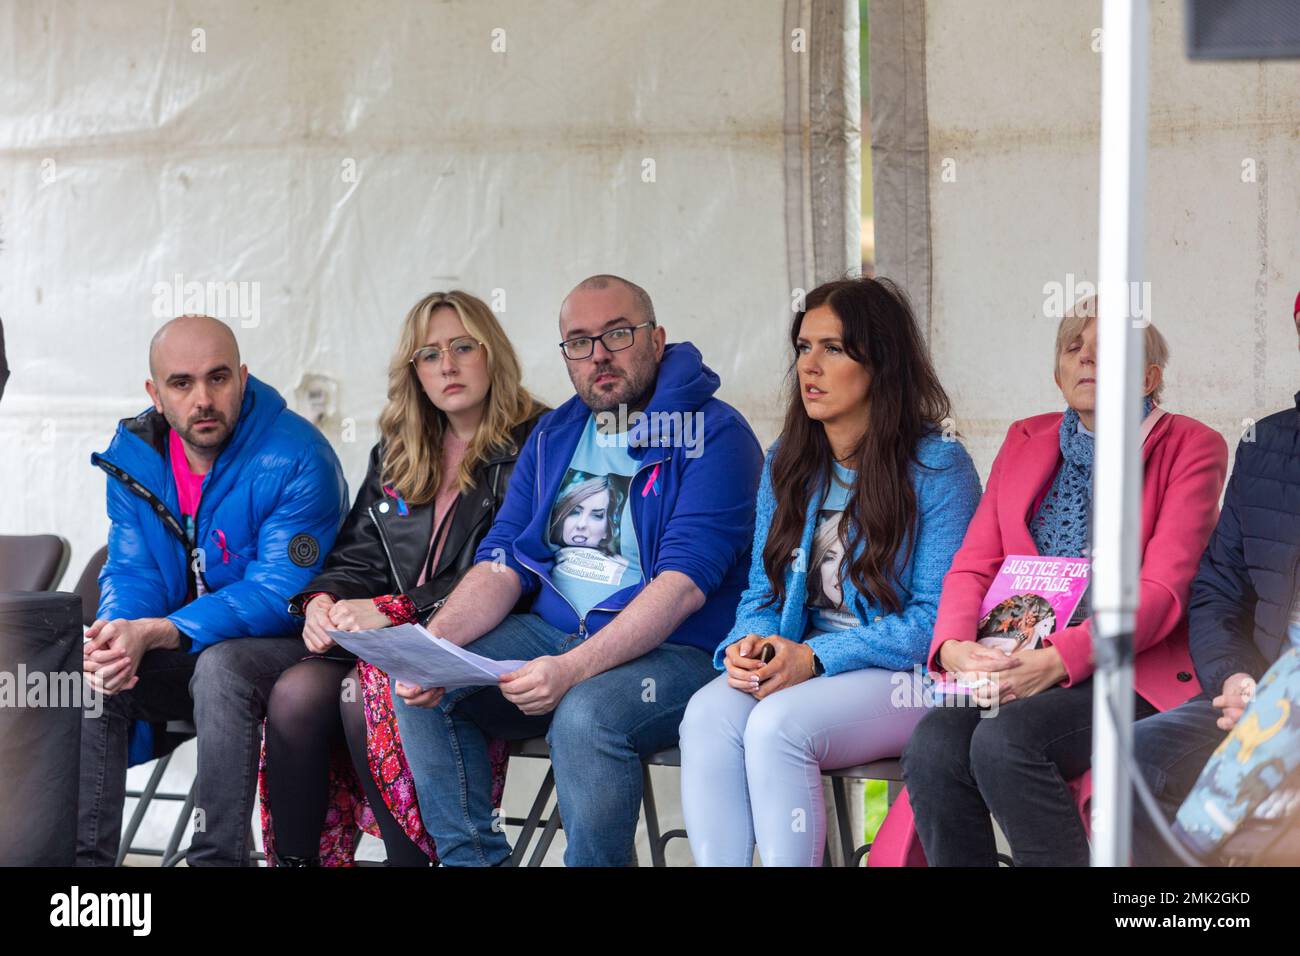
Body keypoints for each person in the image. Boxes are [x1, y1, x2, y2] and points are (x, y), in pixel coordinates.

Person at [392, 274, 763, 866]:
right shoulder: (557, 431)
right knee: (420, 686)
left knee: (584, 716)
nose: (599, 356)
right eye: (579, 342)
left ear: (657, 338)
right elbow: (503, 558)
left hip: (678, 650)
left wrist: (571, 669)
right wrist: (437, 647)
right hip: (555, 631)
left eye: (617, 334)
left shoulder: (714, 435)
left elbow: (683, 586)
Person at [902, 299, 1228, 866]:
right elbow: (974, 564)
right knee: (932, 746)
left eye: (1110, 350)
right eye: (1074, 347)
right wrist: (954, 646)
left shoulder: (1191, 446)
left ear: (1150, 377)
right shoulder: (1025, 438)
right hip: (1019, 662)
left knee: (1007, 742)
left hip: (1131, 665)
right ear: (1057, 373)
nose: (1088, 360)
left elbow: (1163, 591)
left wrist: (1057, 660)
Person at [678, 276, 982, 866]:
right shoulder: (787, 459)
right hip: (804, 664)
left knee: (777, 728)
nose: (809, 366)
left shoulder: (939, 466)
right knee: (708, 714)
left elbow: (937, 622)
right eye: (803, 348)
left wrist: (816, 659)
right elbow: (763, 589)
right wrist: (748, 644)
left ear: (881, 361)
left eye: (833, 349)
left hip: (906, 674)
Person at [258, 291, 546, 866]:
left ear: (493, 353)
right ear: (414, 371)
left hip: (480, 640)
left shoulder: (538, 440)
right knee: (293, 694)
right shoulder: (398, 448)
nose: (448, 365)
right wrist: (322, 599)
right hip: (389, 637)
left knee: (361, 691)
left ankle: (408, 860)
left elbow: (512, 567)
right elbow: (356, 555)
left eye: (463, 346)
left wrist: (395, 609)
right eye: (429, 354)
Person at [79, 314, 348, 866]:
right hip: (191, 644)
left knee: (223, 667)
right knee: (91, 669)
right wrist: (121, 631)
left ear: (243, 378)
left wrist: (165, 629)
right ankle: (84, 874)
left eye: (218, 378)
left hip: (297, 644)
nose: (203, 398)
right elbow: (134, 572)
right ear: (155, 394)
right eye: (182, 383)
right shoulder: (135, 459)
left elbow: (281, 592)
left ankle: (218, 859)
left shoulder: (298, 455)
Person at [1131, 290, 1300, 865]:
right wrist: (1235, 678)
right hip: (1264, 693)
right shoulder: (1267, 445)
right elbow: (1218, 590)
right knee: (1134, 764)